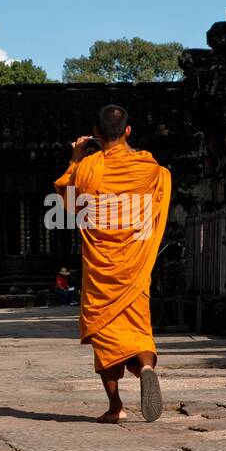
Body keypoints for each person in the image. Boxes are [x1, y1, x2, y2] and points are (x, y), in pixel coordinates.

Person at [54, 104, 171, 423]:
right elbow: (161, 191)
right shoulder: (149, 168)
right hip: (134, 264)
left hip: (101, 267)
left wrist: (76, 156)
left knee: (104, 331)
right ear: (128, 131)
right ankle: (146, 366)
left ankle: (116, 405)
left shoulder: (89, 167)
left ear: (95, 133)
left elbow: (67, 202)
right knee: (138, 327)